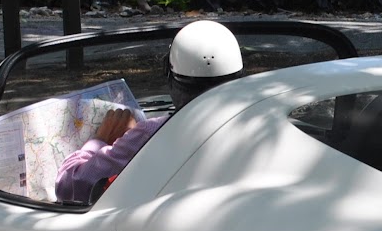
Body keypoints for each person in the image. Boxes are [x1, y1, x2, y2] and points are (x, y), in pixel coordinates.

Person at [53, 20, 244, 203]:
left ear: (170, 77)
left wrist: (100, 139)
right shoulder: (256, 125)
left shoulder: (149, 134)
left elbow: (68, 186)